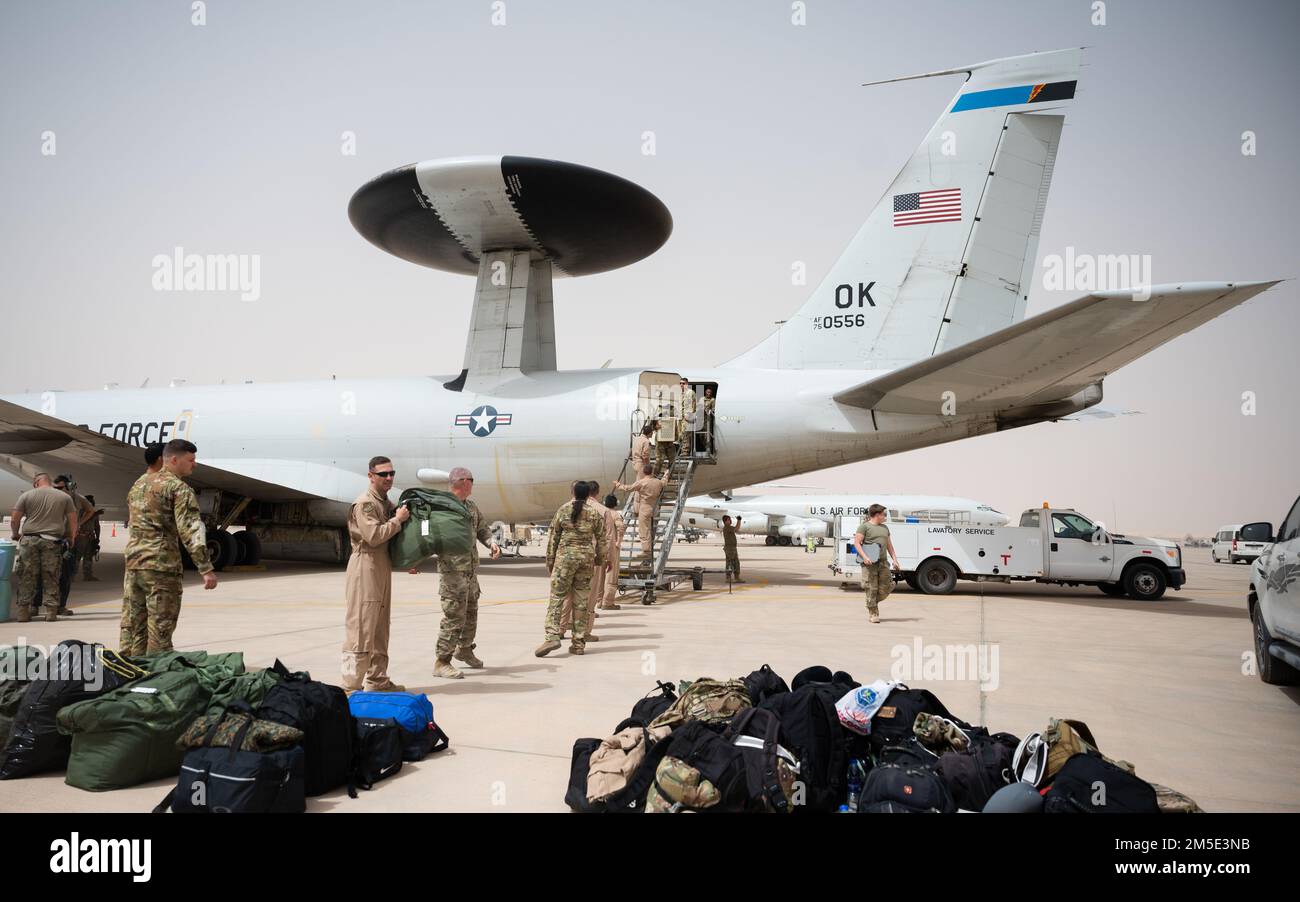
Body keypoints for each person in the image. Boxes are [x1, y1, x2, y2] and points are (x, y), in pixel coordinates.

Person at [120, 439, 218, 654]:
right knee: (160, 629)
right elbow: (190, 530)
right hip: (160, 567)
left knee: (133, 625)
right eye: (190, 460)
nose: (194, 464)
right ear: (174, 459)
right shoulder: (179, 488)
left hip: (135, 564)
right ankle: (158, 675)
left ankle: (128, 671)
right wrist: (206, 568)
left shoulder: (139, 483)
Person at [342, 456, 409, 691]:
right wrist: (398, 520)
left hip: (382, 564)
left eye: (391, 473)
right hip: (365, 564)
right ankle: (350, 686)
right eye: (383, 474)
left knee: (380, 626)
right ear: (371, 476)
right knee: (362, 626)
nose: (389, 478)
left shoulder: (385, 502)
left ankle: (378, 680)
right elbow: (373, 536)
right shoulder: (365, 503)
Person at [433, 467, 500, 680]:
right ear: (462, 482)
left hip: (471, 571)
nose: (473, 483)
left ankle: (464, 649)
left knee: (471, 613)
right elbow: (430, 535)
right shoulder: (442, 507)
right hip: (452, 573)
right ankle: (442, 661)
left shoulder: (471, 506)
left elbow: (482, 528)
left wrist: (491, 542)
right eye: (471, 479)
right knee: (454, 617)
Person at [536, 481, 607, 657]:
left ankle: (552, 635)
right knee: (581, 601)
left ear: (573, 492)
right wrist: (600, 559)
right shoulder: (594, 513)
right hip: (585, 560)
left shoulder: (563, 510)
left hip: (565, 560)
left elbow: (553, 538)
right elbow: (602, 540)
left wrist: (550, 562)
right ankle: (578, 643)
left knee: (557, 598)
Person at [9, 473, 77, 622]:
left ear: (36, 483)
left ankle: (23, 613)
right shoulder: (64, 497)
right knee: (51, 576)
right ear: (50, 482)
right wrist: (72, 537)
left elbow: (15, 519)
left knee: (27, 575)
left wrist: (15, 534)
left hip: (29, 540)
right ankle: (51, 612)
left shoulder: (26, 496)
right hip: (52, 541)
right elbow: (73, 520)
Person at [561, 481, 618, 642]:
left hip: (568, 557)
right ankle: (584, 632)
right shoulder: (602, 510)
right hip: (592, 558)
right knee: (590, 596)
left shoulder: (565, 507)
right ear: (597, 493)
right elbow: (607, 538)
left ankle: (561, 627)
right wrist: (609, 559)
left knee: (568, 594)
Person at [51, 474, 94, 614]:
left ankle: (60, 606)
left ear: (69, 486)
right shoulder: (50, 497)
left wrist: (79, 524)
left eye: (60, 487)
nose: (57, 490)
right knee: (46, 575)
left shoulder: (77, 498)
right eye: (55, 488)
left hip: (68, 541)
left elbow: (90, 510)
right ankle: (39, 607)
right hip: (50, 539)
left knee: (66, 575)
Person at [852, 504, 901, 624]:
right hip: (869, 564)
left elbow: (889, 545)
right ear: (877, 515)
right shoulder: (864, 527)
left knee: (887, 586)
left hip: (883, 562)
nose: (885, 516)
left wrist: (895, 559)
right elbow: (857, 543)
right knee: (871, 588)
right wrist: (865, 557)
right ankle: (873, 613)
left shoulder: (885, 528)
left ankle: (871, 601)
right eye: (883, 514)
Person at [614, 464, 664, 567]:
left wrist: (618, 485)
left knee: (644, 530)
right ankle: (649, 548)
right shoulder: (658, 482)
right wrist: (666, 474)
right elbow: (664, 482)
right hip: (654, 508)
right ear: (652, 472)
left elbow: (628, 488)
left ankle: (646, 551)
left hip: (644, 508)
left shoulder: (641, 482)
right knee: (650, 530)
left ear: (644, 472)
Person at [600, 492, 625, 609]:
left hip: (600, 547)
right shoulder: (615, 514)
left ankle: (599, 601)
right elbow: (620, 528)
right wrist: (618, 542)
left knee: (599, 576)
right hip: (612, 548)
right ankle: (608, 602)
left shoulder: (600, 513)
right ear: (615, 504)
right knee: (611, 575)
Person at [78, 493, 102, 581]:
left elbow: (97, 526)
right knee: (77, 557)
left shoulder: (94, 513)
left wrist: (97, 538)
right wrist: (94, 514)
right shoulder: (80, 511)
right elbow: (82, 521)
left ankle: (88, 575)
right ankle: (71, 575)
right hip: (81, 537)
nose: (93, 503)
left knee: (88, 557)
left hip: (90, 537)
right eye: (91, 501)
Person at [721, 514, 744, 583]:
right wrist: (739, 521)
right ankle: (729, 578)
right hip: (730, 548)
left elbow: (736, 529)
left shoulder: (728, 527)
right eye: (728, 520)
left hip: (732, 548)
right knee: (731, 563)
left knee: (735, 562)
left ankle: (736, 577)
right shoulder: (727, 527)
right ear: (725, 521)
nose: (730, 521)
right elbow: (736, 529)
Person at [701, 387, 716, 454]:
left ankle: (708, 449)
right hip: (700, 419)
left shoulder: (712, 400)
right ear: (705, 392)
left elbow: (713, 409)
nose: (709, 394)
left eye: (710, 392)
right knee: (700, 435)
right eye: (708, 392)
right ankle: (704, 447)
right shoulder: (702, 399)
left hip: (707, 420)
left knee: (706, 435)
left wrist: (709, 411)